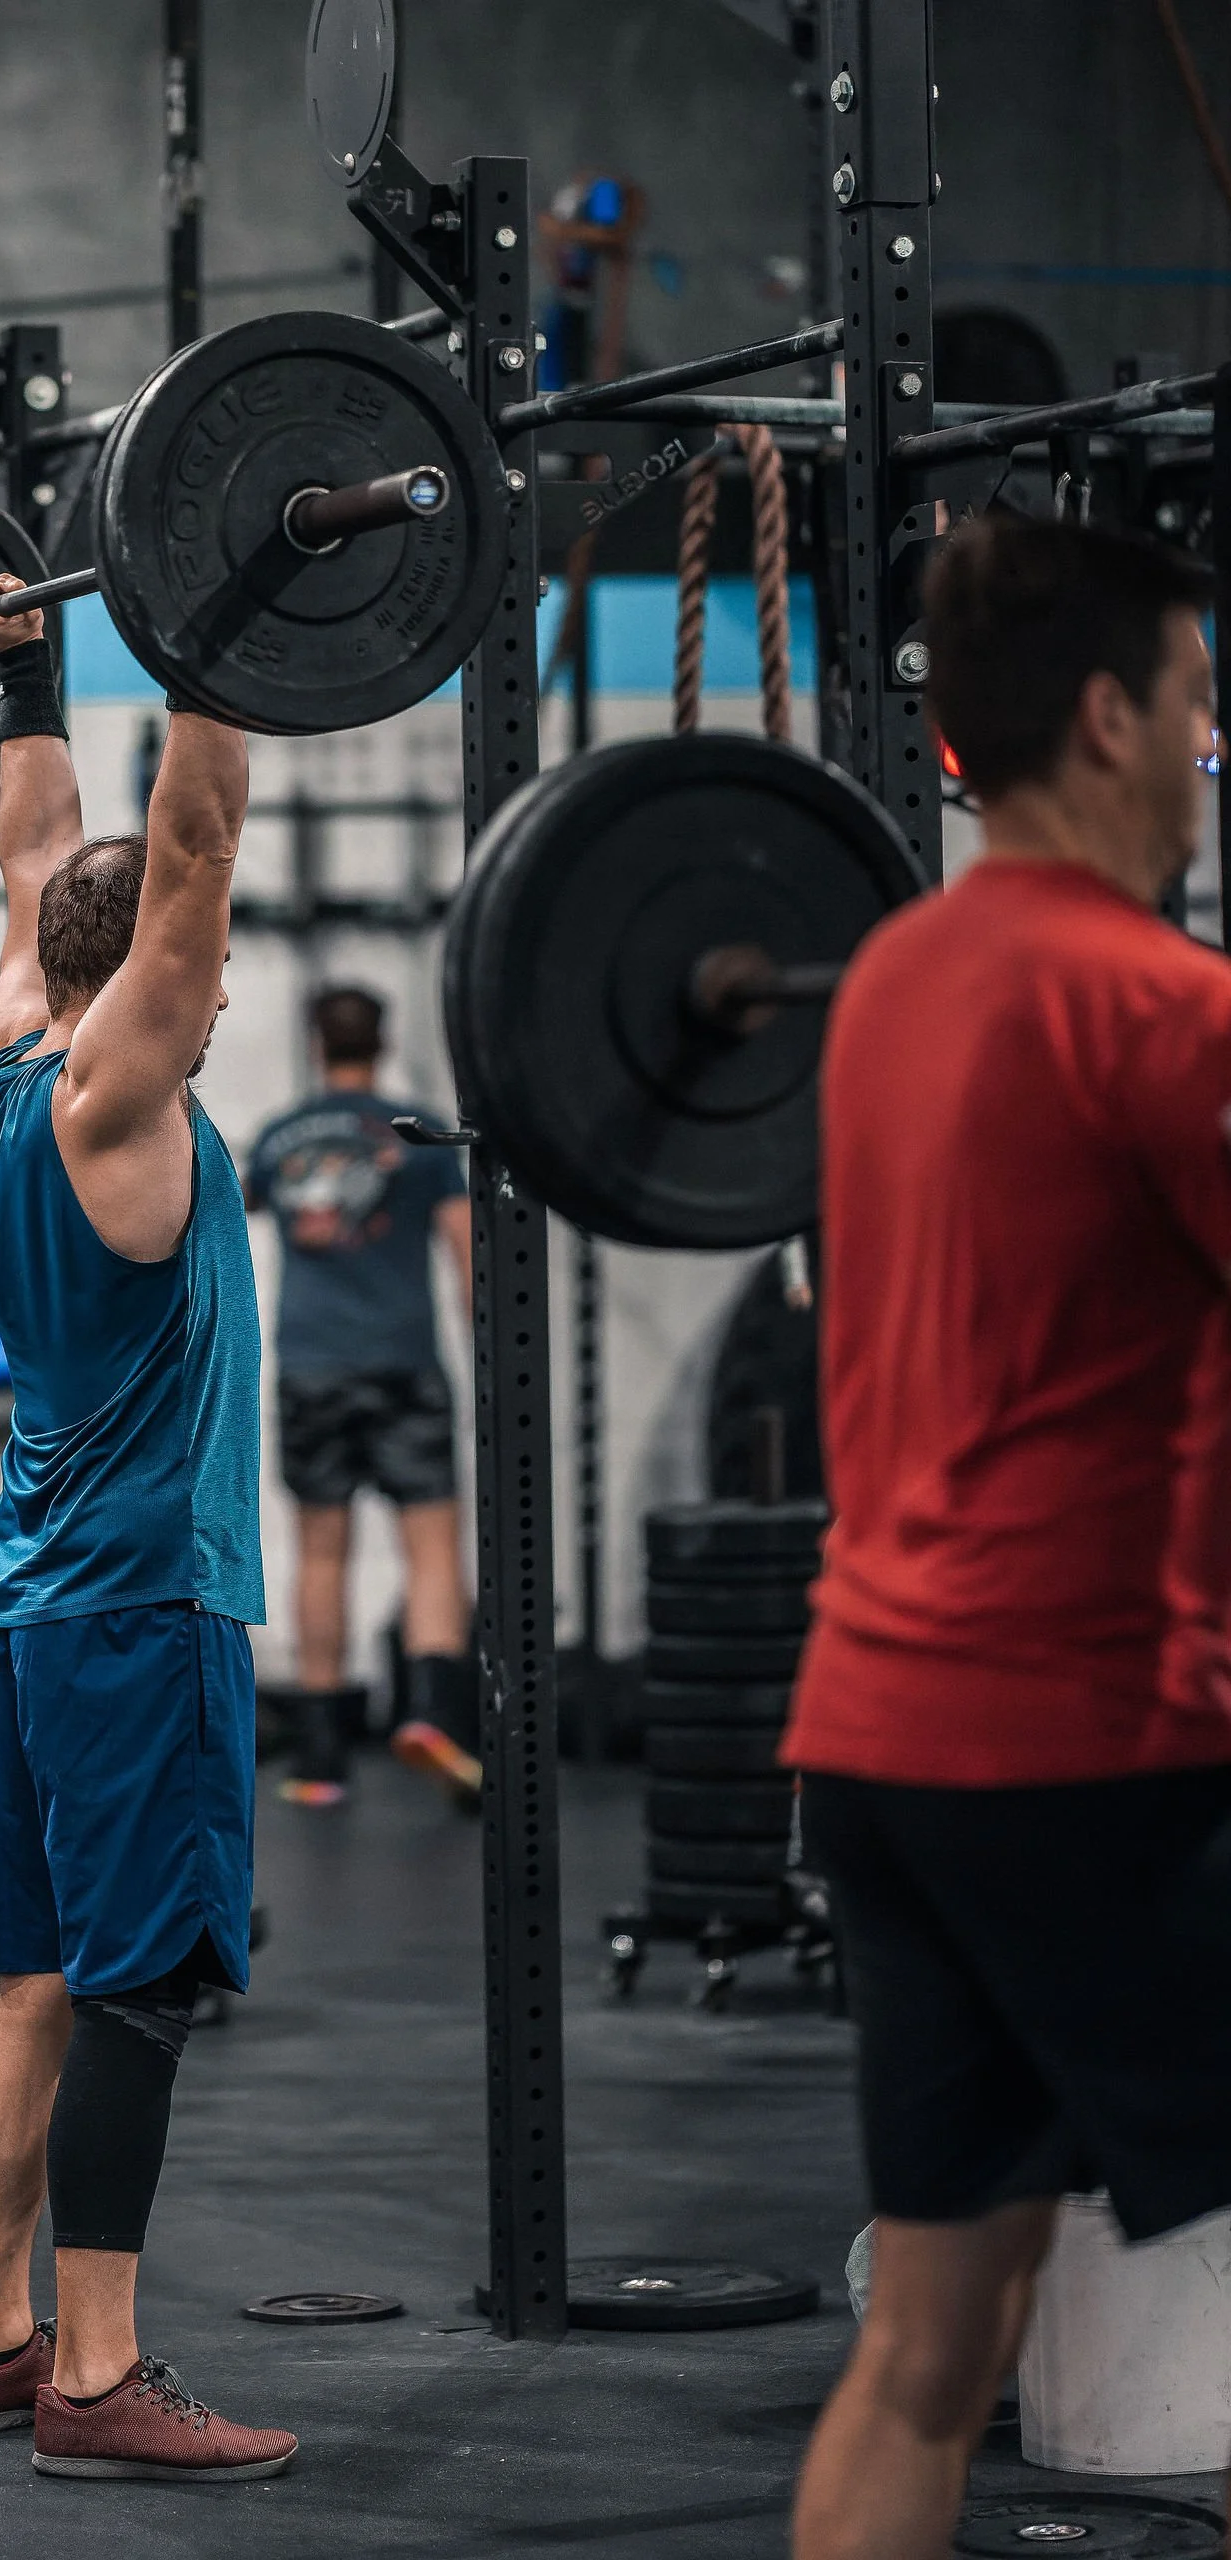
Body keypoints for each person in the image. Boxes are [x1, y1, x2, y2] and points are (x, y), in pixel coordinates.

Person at [783, 515, 1231, 2560]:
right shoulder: (1157, 1009)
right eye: (1200, 700)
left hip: (878, 1735)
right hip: (1088, 1749)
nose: (1205, 745)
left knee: (931, 2349)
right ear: (1111, 710)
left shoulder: (892, 976)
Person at [0, 583, 296, 2483]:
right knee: (140, 1992)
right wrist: (226, 638)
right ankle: (96, 2377)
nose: (217, 982)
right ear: (147, 976)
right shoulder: (108, 1096)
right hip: (135, 1602)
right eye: (194, 966)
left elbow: (30, 848)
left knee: (35, 1985)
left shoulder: (1, 1058)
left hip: (24, 1594)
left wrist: (20, 665)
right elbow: (194, 849)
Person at [245, 985, 476, 1808]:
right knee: (434, 1548)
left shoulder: (279, 1137)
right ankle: (433, 1716)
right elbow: (465, 1252)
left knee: (321, 1552)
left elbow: (226, 1215)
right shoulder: (420, 1134)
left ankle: (320, 1762)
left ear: (317, 1044)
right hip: (404, 1362)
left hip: (310, 1367)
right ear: (382, 1042)